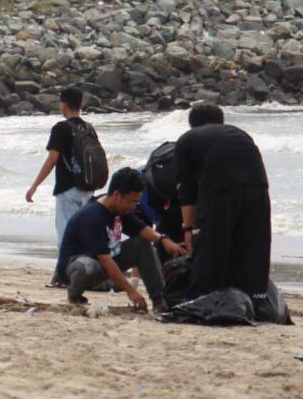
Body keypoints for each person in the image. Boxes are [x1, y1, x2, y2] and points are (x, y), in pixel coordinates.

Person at [175, 103, 272, 299]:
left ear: (191, 123)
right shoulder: (240, 134)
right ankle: (255, 301)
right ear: (221, 120)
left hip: (221, 192)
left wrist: (188, 230)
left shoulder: (188, 139)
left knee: (211, 248)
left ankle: (204, 299)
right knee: (253, 249)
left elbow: (187, 188)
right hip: (259, 190)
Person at [55, 167, 184, 311]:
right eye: (132, 202)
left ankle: (159, 301)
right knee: (89, 266)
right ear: (117, 195)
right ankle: (74, 296)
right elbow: (104, 259)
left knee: (141, 244)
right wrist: (131, 292)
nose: (134, 207)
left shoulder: (119, 209)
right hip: (76, 266)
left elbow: (142, 229)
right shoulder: (93, 215)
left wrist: (164, 240)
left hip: (102, 263)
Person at [23, 87, 95, 282]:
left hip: (68, 190)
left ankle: (63, 276)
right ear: (81, 105)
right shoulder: (88, 128)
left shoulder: (60, 128)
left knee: (65, 236)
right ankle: (86, 273)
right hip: (88, 189)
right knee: (84, 234)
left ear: (63, 105)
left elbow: (52, 158)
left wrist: (34, 186)